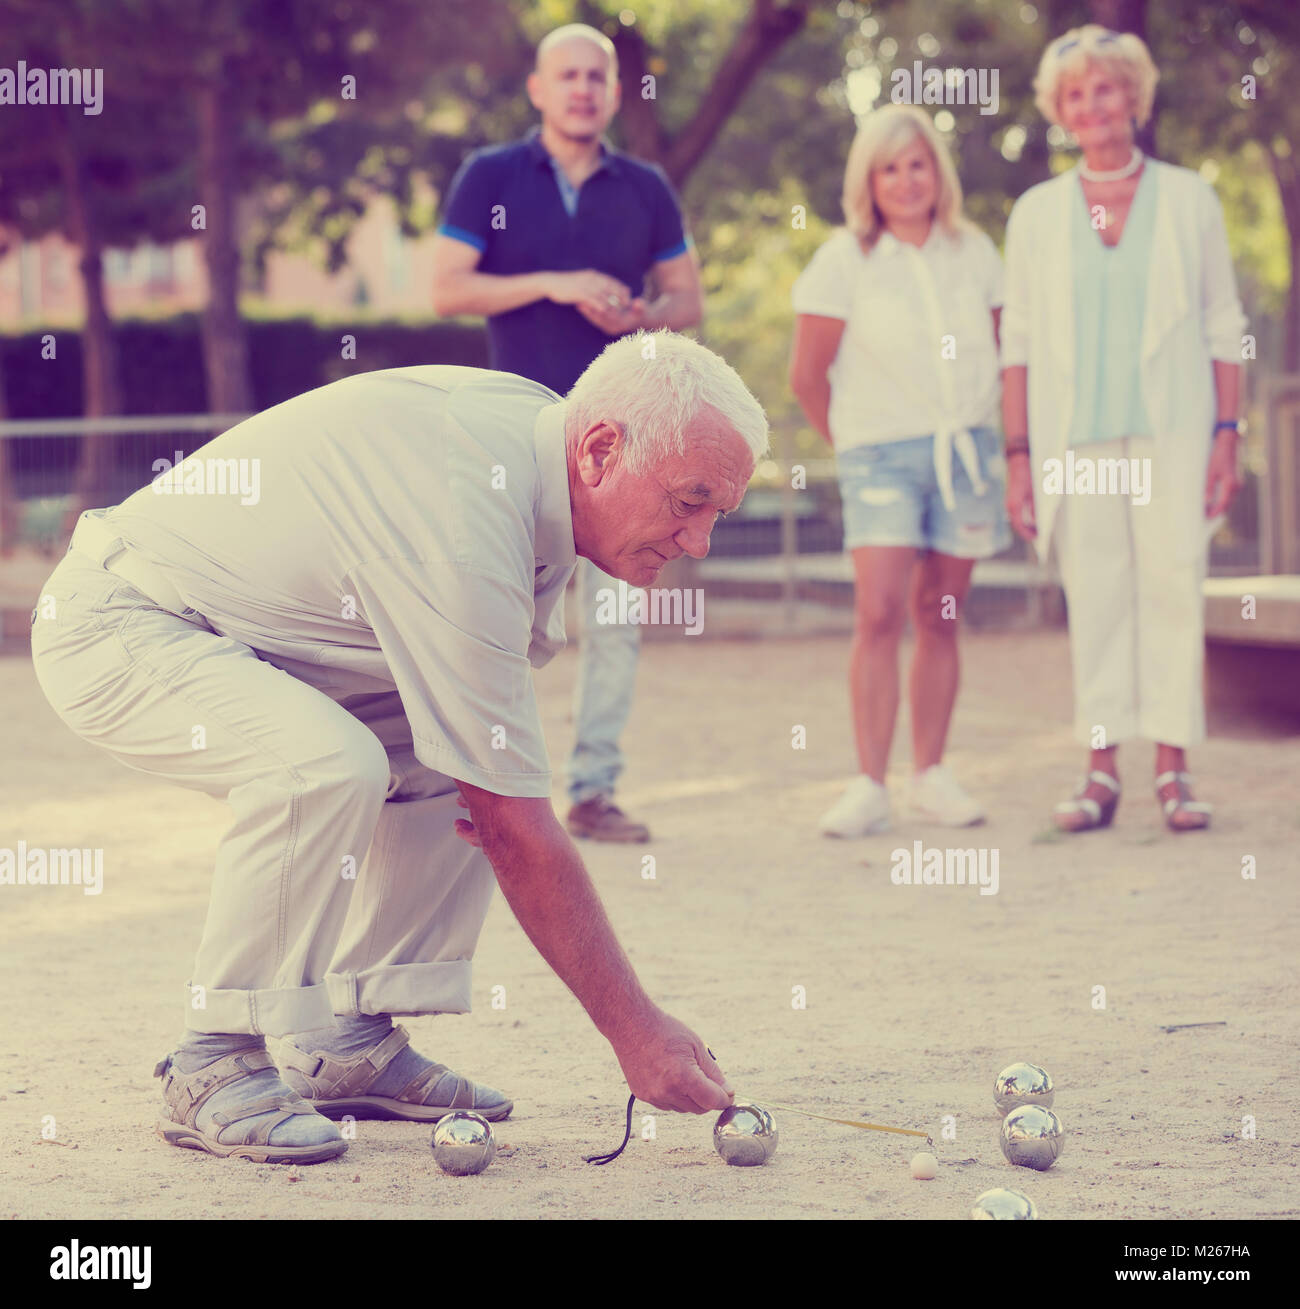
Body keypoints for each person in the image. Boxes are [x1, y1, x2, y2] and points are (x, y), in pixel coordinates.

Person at [30, 330, 766, 1164]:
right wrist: (638, 1031)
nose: (700, 540)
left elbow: (488, 768)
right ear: (601, 452)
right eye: (688, 500)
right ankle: (212, 1059)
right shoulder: (468, 509)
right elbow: (516, 822)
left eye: (719, 513)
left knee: (462, 764)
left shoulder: (535, 455)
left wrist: (493, 794)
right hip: (122, 622)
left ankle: (349, 1042)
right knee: (327, 768)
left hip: (246, 640)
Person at [432, 23, 704, 844]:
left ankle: (592, 791)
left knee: (616, 621)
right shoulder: (490, 175)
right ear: (539, 90)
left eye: (598, 76)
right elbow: (446, 289)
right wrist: (555, 284)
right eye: (569, 75)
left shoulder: (646, 186)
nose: (584, 87)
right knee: (495, 613)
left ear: (616, 93)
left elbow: (687, 300)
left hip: (624, 444)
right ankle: (481, 789)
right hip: (513, 429)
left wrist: (643, 314)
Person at [1000, 26, 1246, 834]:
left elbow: (1222, 324)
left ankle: (1174, 770)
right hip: (1076, 443)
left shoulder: (1189, 199)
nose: (1093, 104)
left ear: (1134, 96)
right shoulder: (1037, 214)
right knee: (1098, 597)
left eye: (1106, 88)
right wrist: (1019, 459)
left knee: (1173, 588)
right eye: (1076, 94)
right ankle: (1100, 770)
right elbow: (1020, 345)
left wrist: (1226, 433)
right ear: (1060, 111)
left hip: (1170, 437)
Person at [789, 104, 1009, 837]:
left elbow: (1011, 354)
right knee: (878, 611)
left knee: (940, 614)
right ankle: (869, 784)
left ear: (936, 171)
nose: (906, 179)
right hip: (879, 455)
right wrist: (856, 444)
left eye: (917, 164)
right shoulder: (842, 260)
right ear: (869, 181)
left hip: (966, 452)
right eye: (890, 167)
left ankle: (933, 774)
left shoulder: (974, 251)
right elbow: (808, 376)